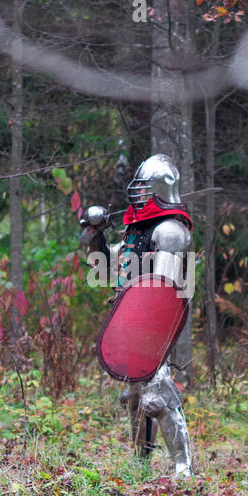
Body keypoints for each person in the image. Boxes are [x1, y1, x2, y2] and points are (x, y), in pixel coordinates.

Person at [80, 154, 194, 478]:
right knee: (134, 396)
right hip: (132, 322)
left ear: (160, 189)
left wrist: (146, 325)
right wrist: (96, 236)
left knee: (157, 392)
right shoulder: (137, 229)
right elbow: (106, 270)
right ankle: (140, 463)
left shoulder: (170, 231)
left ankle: (183, 468)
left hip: (154, 325)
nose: (139, 194)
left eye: (145, 188)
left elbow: (161, 291)